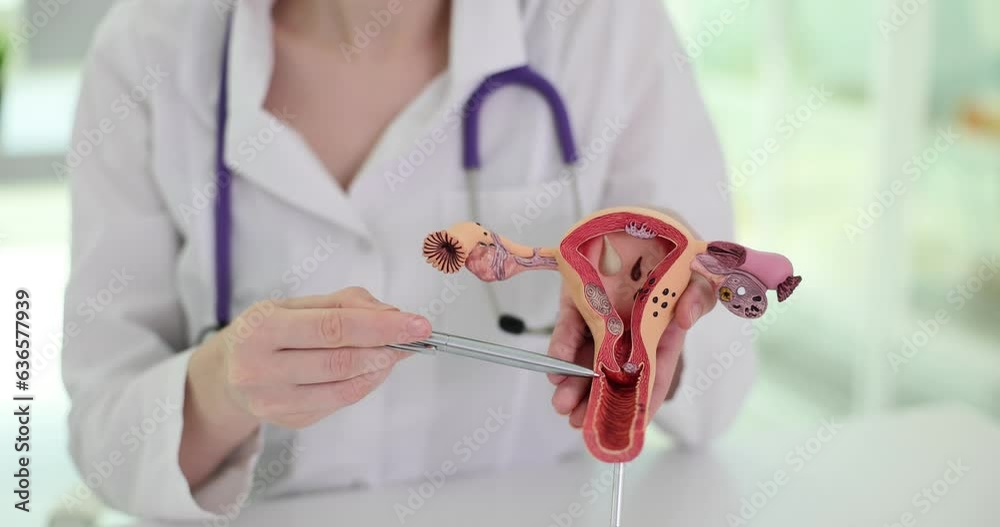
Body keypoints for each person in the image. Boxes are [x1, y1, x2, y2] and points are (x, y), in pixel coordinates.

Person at [62, 0, 754, 520]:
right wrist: (221, 384)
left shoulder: (601, 25)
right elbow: (103, 436)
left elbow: (720, 393)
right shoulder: (147, 49)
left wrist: (659, 303)